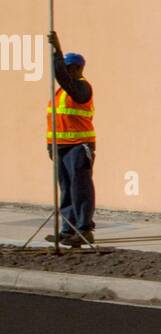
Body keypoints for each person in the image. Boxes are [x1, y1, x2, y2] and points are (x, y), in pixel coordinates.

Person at [45, 31, 96, 247]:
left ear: (77, 68)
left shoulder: (81, 88)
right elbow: (54, 120)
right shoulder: (60, 93)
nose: (64, 71)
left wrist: (57, 50)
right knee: (66, 188)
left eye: (68, 67)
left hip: (79, 146)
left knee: (80, 187)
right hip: (62, 147)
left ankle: (84, 229)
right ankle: (68, 230)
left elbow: (61, 76)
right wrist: (50, 144)